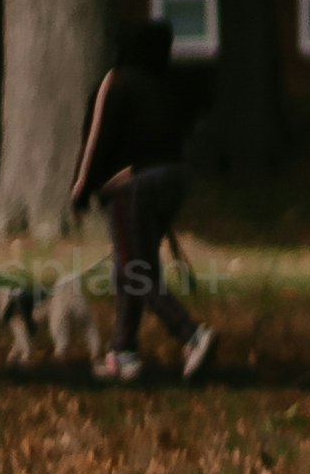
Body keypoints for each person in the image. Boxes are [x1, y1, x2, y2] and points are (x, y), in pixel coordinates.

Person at [72, 19, 215, 383]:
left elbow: (96, 138)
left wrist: (80, 190)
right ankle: (122, 351)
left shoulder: (116, 82)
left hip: (132, 184)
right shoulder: (167, 86)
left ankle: (190, 335)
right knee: (135, 264)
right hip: (173, 180)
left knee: (133, 271)